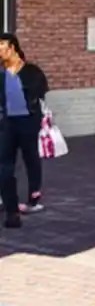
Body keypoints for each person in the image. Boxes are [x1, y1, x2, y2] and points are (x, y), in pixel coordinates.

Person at [0, 33, 48, 224]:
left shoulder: (31, 71)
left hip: (28, 122)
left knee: (30, 159)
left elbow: (41, 93)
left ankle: (33, 199)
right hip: (8, 123)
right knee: (5, 162)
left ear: (12, 48)